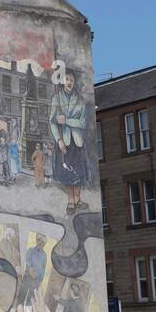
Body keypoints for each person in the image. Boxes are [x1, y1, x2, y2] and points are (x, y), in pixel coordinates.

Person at [49, 68, 90, 213]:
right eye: (67, 79)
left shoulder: (79, 99)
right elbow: (52, 122)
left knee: (78, 171)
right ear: (62, 82)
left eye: (72, 80)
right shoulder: (57, 98)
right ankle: (70, 201)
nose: (69, 82)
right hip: (64, 141)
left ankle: (78, 199)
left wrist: (67, 120)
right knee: (66, 171)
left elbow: (83, 123)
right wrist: (59, 140)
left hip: (77, 141)